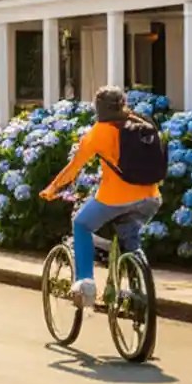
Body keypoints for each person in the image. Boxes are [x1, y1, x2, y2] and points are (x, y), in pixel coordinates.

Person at [40, 86, 166, 308]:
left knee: (81, 224)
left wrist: (52, 189)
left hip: (114, 199)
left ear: (98, 108)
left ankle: (86, 283)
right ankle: (137, 288)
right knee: (130, 236)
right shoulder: (143, 123)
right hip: (150, 198)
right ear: (123, 103)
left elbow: (73, 168)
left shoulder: (98, 133)